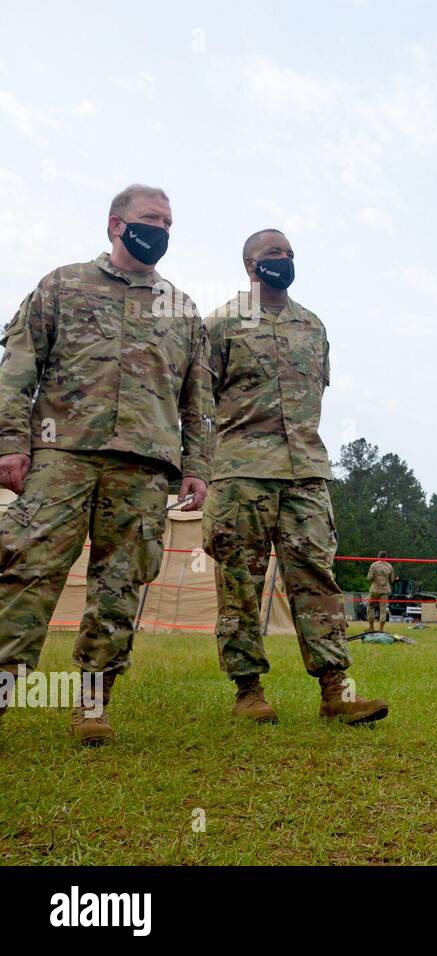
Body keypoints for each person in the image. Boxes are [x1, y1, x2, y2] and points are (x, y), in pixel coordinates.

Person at [0, 184, 210, 745]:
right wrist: (9, 443)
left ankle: (93, 703)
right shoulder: (62, 285)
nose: (160, 229)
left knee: (120, 588)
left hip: (144, 468)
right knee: (26, 573)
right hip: (61, 456)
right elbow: (17, 368)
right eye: (149, 218)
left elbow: (197, 400)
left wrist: (198, 467)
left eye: (168, 221)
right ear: (116, 225)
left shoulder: (181, 309)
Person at [204, 228, 388, 726]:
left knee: (316, 580)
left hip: (305, 470)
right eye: (272, 254)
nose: (283, 261)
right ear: (249, 264)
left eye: (288, 254)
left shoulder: (314, 326)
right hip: (242, 472)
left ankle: (336, 691)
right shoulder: (220, 325)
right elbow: (199, 405)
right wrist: (198, 473)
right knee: (240, 582)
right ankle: (248, 691)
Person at [366, 551, 396, 632]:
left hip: (375, 589)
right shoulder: (389, 566)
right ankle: (381, 629)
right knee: (383, 610)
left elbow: (369, 578)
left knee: (370, 607)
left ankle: (371, 627)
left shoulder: (374, 565)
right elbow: (392, 579)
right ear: (386, 557)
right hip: (385, 590)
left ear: (378, 556)